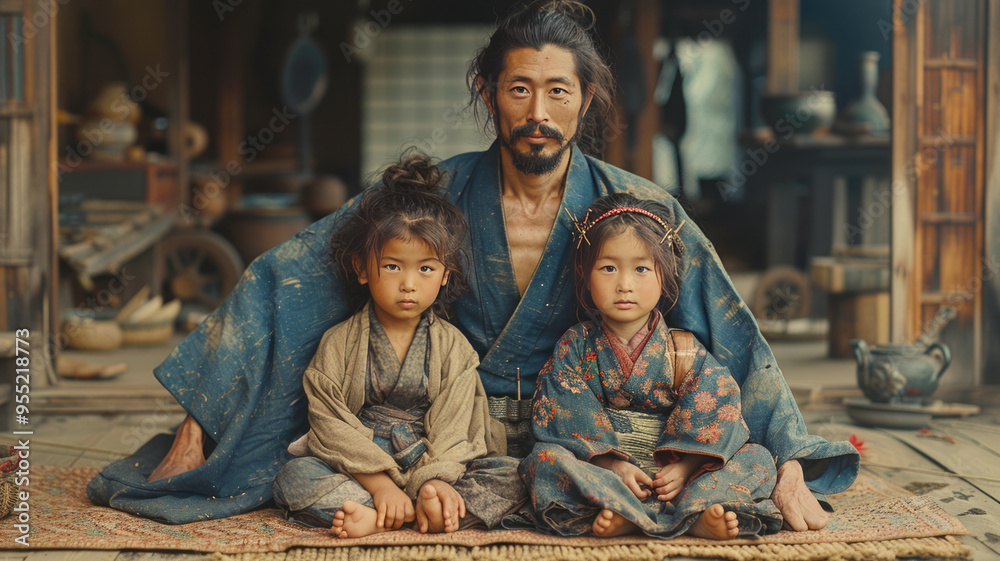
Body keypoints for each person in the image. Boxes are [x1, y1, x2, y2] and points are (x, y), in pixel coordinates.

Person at [88, 0, 858, 527]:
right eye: (519, 89)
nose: (537, 112)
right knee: (299, 459)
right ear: (489, 94)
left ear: (586, 98)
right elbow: (293, 273)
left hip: (578, 434)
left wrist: (786, 452)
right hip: (451, 432)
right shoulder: (436, 192)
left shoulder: (634, 208)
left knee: (728, 456)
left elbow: (727, 325)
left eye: (557, 91)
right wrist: (201, 417)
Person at [271, 154, 522, 538]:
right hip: (362, 465)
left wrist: (432, 480)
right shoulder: (339, 343)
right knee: (294, 477)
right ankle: (408, 513)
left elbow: (456, 427)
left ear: (445, 274)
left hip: (435, 461)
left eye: (425, 268)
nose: (409, 283)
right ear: (361, 268)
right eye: (392, 266)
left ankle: (392, 514)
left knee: (513, 475)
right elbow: (329, 423)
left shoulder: (453, 347)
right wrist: (381, 484)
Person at [522, 193, 784, 539]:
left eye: (641, 269)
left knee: (758, 458)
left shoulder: (682, 349)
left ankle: (694, 511)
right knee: (544, 458)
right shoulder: (576, 345)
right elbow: (562, 412)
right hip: (607, 473)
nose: (624, 285)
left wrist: (686, 466)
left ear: (665, 273)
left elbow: (718, 410)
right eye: (608, 268)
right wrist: (612, 465)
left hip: (674, 479)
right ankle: (629, 510)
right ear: (584, 273)